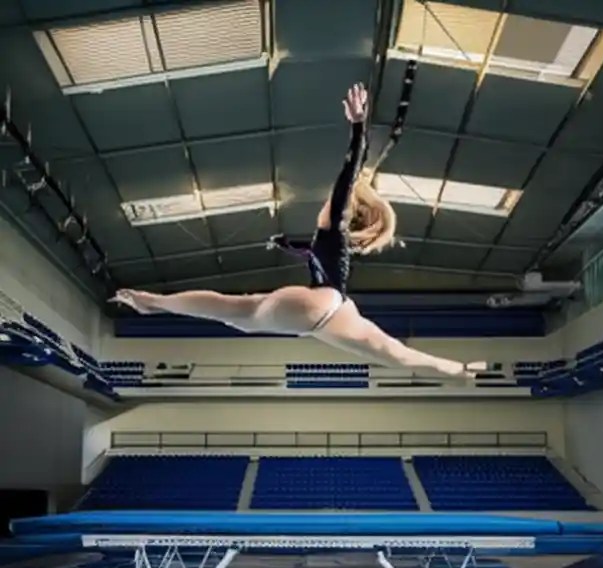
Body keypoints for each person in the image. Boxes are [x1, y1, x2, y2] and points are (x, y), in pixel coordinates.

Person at [110, 84, 484, 380]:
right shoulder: (330, 243)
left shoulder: (335, 219)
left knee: (237, 311)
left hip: (322, 301)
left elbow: (350, 169)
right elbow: (309, 253)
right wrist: (286, 244)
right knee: (394, 355)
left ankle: (153, 301)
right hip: (334, 307)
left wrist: (358, 126)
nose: (325, 204)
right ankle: (461, 370)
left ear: (349, 207)